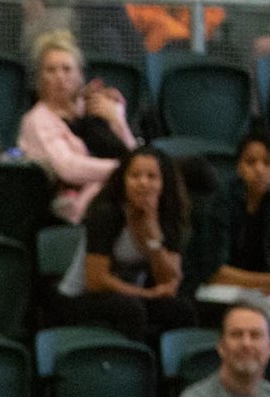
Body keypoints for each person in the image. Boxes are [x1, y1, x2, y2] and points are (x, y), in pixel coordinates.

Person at [52, 144, 199, 345]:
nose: (143, 183)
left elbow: (169, 281)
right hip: (80, 298)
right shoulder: (107, 214)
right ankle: (132, 368)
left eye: (151, 177)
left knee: (181, 309)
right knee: (131, 310)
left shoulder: (168, 218)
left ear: (164, 183)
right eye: (135, 176)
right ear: (123, 181)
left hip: (130, 296)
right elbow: (95, 280)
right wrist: (145, 294)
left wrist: (153, 234)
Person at [188, 130, 270, 335]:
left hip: (264, 291)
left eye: (268, 163)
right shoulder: (220, 203)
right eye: (251, 162)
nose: (259, 170)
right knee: (250, 317)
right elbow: (217, 273)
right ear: (239, 167)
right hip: (221, 291)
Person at [18, 31, 137, 225]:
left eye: (67, 69)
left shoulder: (93, 109)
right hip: (69, 210)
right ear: (40, 78)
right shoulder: (36, 121)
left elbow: (131, 151)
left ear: (80, 75)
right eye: (51, 70)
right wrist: (127, 169)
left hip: (114, 193)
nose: (60, 77)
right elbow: (68, 168)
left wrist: (118, 121)